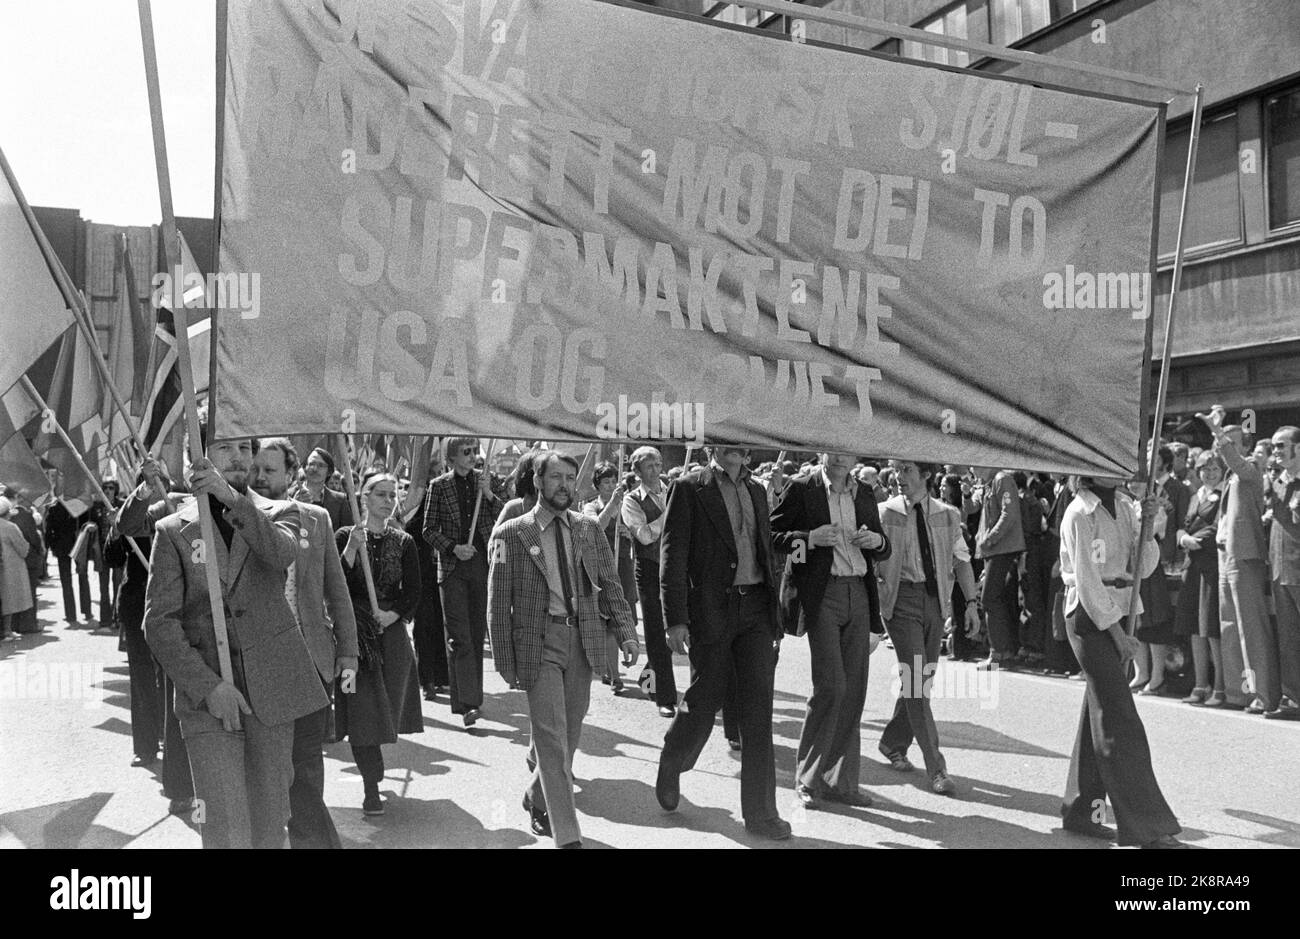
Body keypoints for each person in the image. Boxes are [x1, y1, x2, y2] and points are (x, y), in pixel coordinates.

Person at [144, 436, 328, 848]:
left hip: (273, 695)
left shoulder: (282, 513)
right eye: (226, 448)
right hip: (209, 699)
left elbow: (280, 553)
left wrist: (229, 497)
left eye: (246, 449)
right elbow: (159, 623)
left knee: (269, 823)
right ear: (200, 454)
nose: (240, 457)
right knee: (226, 826)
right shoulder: (173, 529)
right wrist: (209, 688)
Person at [488, 451, 640, 848]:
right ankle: (568, 836)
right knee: (551, 738)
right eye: (555, 477)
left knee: (569, 736)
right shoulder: (511, 533)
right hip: (539, 644)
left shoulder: (589, 529)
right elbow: (497, 602)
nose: (564, 486)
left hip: (583, 641)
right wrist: (506, 661)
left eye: (570, 479)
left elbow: (611, 585)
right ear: (537, 481)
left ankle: (537, 795)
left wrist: (626, 632)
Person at [654, 446, 790, 840]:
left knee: (758, 709)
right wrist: (675, 619)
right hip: (711, 610)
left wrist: (775, 615)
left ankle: (762, 813)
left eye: (742, 443)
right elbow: (672, 555)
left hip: (756, 613)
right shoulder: (689, 487)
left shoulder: (758, 491)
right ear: (713, 445)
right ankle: (673, 757)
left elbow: (766, 554)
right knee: (706, 695)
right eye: (728, 441)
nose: (737, 449)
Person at [1058, 476, 1183, 848]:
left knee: (1099, 711)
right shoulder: (1078, 513)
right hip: (1089, 618)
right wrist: (1118, 635)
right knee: (1120, 718)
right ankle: (1148, 827)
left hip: (1124, 611)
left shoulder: (1128, 508)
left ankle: (1083, 809)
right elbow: (1088, 583)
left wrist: (1147, 531)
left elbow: (1143, 568)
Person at [252, 438, 359, 845]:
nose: (261, 478)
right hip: (261, 664)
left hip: (312, 661)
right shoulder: (239, 521)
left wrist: (347, 652)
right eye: (256, 470)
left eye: (270, 471)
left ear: (291, 474)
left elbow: (337, 590)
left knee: (306, 765)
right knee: (275, 769)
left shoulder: (317, 520)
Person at [770, 450, 890, 808]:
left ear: (854, 458)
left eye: (846, 453)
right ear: (822, 452)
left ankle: (841, 782)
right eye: (832, 451)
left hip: (859, 592)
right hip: (822, 595)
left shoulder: (865, 493)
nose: (839, 458)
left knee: (853, 690)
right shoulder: (801, 487)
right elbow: (772, 535)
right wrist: (809, 538)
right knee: (831, 685)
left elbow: (881, 546)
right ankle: (808, 778)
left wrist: (876, 542)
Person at [873, 460, 981, 794]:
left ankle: (893, 741)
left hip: (934, 602)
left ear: (925, 476)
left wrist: (972, 604)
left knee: (921, 680)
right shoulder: (883, 513)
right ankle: (937, 768)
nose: (898, 476)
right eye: (895, 470)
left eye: (906, 470)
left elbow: (961, 560)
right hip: (899, 603)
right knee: (918, 679)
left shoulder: (948, 514)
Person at [336, 473, 422, 816]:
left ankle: (374, 764)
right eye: (381, 494)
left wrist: (395, 614)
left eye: (392, 495)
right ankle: (371, 785)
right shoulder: (346, 535)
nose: (388, 500)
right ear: (365, 498)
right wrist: (351, 550)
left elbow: (415, 588)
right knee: (360, 710)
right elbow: (336, 583)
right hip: (355, 634)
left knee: (383, 707)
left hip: (390, 633)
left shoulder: (403, 542)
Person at [116, 460, 194, 812]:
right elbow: (127, 525)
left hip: (210, 614)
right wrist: (147, 490)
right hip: (158, 611)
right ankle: (177, 784)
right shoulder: (169, 503)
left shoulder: (237, 499)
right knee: (165, 692)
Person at [423, 437, 501, 727]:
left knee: (476, 632)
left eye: (474, 451)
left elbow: (504, 516)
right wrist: (453, 547)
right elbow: (428, 529)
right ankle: (467, 703)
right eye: (465, 452)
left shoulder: (485, 482)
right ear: (452, 457)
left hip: (480, 565)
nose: (472, 456)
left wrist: (490, 495)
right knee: (460, 637)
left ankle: (473, 695)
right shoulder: (439, 486)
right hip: (453, 567)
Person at [1200, 411, 1269, 712]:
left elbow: (1235, 461)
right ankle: (1238, 692)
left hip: (1244, 554)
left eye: (1229, 440)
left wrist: (1217, 431)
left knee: (1249, 629)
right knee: (1229, 627)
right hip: (1224, 553)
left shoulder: (1251, 466)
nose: (1221, 446)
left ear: (1245, 444)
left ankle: (1262, 693)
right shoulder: (1231, 474)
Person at [621, 445, 680, 718]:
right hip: (649, 569)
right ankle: (665, 699)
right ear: (638, 471)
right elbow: (644, 536)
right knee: (657, 633)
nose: (655, 470)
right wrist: (667, 517)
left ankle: (650, 676)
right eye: (649, 466)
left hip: (677, 568)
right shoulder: (631, 500)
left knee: (680, 626)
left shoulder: (674, 491)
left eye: (657, 464)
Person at [1175, 452, 1226, 706]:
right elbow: (1183, 524)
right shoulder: (1196, 496)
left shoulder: (1224, 494)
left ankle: (1220, 686)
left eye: (1214, 468)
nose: (1209, 473)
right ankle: (1200, 683)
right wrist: (1182, 537)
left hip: (1210, 564)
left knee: (1211, 627)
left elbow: (1218, 526)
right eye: (1204, 469)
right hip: (1191, 565)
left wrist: (1196, 540)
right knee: (1194, 626)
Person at [583, 461, 637, 694]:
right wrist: (612, 504)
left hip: (622, 564)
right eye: (606, 482)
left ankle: (613, 668)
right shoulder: (590, 506)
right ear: (597, 485)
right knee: (604, 619)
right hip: (600, 567)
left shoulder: (627, 505)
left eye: (614, 481)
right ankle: (614, 674)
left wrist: (629, 532)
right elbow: (595, 527)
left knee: (623, 616)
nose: (611, 485)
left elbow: (640, 533)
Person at [1263, 426, 1300, 719]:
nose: (1276, 452)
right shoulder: (1277, 483)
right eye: (1273, 447)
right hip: (1280, 570)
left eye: (1281, 446)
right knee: (1288, 639)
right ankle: (1292, 697)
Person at [973, 467, 1025, 669]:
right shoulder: (989, 484)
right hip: (994, 549)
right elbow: (970, 508)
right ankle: (1004, 651)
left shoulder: (1002, 479)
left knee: (990, 598)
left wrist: (990, 539)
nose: (972, 468)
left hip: (1001, 548)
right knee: (997, 599)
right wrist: (968, 493)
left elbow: (1009, 514)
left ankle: (999, 653)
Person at [44, 473, 92, 625]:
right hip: (62, 548)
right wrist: (52, 547)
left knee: (83, 578)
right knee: (66, 582)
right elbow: (49, 530)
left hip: (78, 547)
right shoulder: (52, 508)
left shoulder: (79, 505)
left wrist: (86, 545)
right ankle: (70, 614)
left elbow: (86, 525)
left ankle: (87, 611)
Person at [7, 492, 44, 634]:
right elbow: (33, 537)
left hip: (14, 559)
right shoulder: (26, 516)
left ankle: (15, 625)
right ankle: (29, 624)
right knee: (30, 593)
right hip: (29, 559)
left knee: (16, 593)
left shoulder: (12, 515)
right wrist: (40, 549)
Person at [293, 447, 354, 533]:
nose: (315, 469)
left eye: (321, 465)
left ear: (329, 471)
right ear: (304, 468)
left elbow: (348, 533)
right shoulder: (289, 495)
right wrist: (293, 505)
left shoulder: (340, 500)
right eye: (311, 464)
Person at [0, 497, 33, 640]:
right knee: (9, 599)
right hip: (9, 567)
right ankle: (7, 631)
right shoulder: (10, 527)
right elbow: (23, 547)